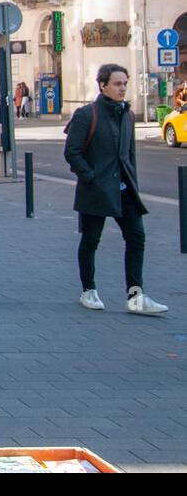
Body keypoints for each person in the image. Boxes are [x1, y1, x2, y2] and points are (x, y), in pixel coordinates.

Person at [63, 64, 167, 315]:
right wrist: (91, 177)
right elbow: (72, 152)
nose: (122, 88)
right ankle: (88, 290)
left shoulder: (127, 115)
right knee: (91, 240)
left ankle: (135, 296)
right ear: (103, 85)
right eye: (117, 84)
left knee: (136, 238)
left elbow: (129, 155)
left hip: (124, 189)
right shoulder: (87, 114)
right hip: (96, 189)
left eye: (124, 84)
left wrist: (133, 182)